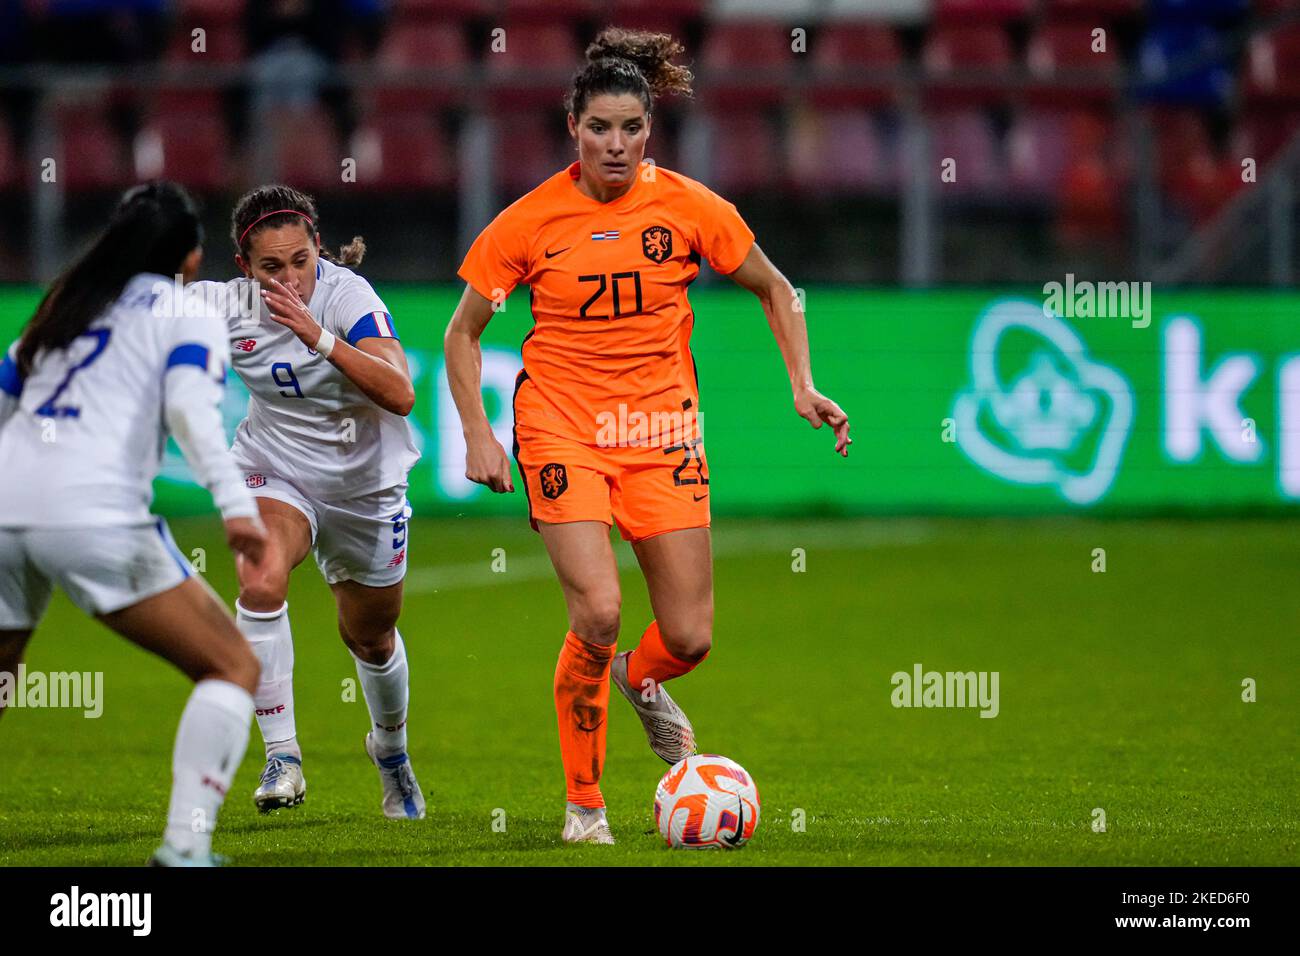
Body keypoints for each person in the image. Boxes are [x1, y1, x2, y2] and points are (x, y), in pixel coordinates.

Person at [444, 28, 852, 844]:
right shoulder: (528, 222)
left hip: (663, 430)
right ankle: (585, 807)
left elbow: (777, 288)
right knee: (597, 610)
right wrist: (480, 434)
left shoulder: (691, 207)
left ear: (650, 130)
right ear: (572, 125)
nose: (618, 144)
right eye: (601, 127)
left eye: (633, 127)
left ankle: (638, 678)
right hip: (562, 428)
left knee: (692, 638)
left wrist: (801, 383)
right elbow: (463, 333)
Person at [0, 181, 268, 866]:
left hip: (5, 508)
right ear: (189, 256)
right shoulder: (184, 311)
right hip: (90, 514)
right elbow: (189, 410)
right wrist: (235, 504)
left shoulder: (64, 308)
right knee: (232, 664)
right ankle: (185, 846)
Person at [191, 185, 425, 819]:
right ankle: (283, 758)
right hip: (277, 470)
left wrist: (318, 336)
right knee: (260, 580)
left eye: (301, 260)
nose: (290, 277)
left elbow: (401, 394)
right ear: (244, 268)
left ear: (319, 249)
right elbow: (127, 309)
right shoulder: (224, 306)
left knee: (370, 637)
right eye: (271, 267)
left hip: (364, 488)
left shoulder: (349, 297)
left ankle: (391, 750)